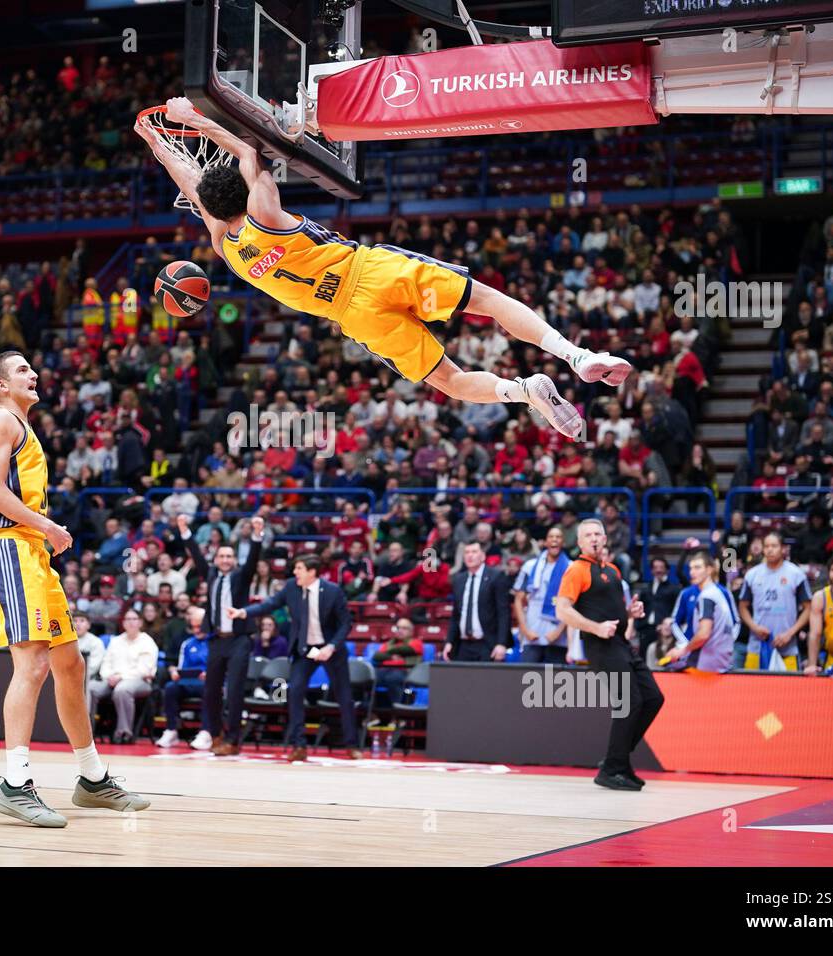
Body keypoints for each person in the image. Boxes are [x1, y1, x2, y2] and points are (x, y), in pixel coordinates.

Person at [136, 98, 635, 441]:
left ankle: (523, 392)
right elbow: (247, 153)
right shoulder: (265, 211)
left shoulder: (225, 246)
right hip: (370, 270)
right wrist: (195, 119)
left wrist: (158, 145)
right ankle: (574, 356)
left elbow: (196, 186)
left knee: (452, 382)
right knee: (488, 302)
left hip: (353, 316)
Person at [0, 349, 148, 827]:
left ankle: (91, 779)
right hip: (9, 547)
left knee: (71, 663)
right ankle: (14, 783)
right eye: (23, 369)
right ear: (2, 385)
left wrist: (42, 534)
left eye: (33, 365)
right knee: (32, 665)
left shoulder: (22, 427)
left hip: (32, 553)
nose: (35, 372)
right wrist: (47, 525)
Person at [553, 519, 660, 791]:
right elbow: (562, 611)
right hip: (600, 646)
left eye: (598, 533)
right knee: (630, 702)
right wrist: (596, 628)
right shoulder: (576, 570)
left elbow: (609, 611)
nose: (594, 538)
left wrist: (629, 614)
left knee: (653, 698)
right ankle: (613, 767)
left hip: (621, 644)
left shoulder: (612, 570)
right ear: (578, 542)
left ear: (605, 538)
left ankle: (617, 760)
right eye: (587, 535)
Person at [231, 555, 361, 762]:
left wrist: (331, 646)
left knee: (344, 697)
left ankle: (352, 745)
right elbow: (270, 604)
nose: (294, 572)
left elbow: (346, 624)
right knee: (294, 691)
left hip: (330, 648)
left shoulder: (332, 591)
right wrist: (243, 613)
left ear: (312, 572)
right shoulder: (292, 587)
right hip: (304, 649)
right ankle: (299, 745)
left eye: (299, 568)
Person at [180, 511, 265, 756]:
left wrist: (258, 535)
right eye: (222, 556)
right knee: (211, 691)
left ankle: (233, 739)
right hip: (216, 639)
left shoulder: (242, 576)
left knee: (235, 690)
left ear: (234, 560)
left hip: (239, 640)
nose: (226, 560)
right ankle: (216, 733)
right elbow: (196, 555)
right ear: (216, 559)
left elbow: (253, 560)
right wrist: (185, 530)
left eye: (229, 556)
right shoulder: (211, 575)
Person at [738, 532, 811, 670]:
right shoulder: (752, 575)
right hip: (757, 646)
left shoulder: (796, 574)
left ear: (783, 548)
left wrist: (790, 633)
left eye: (774, 546)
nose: (770, 550)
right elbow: (742, 607)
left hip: (787, 647)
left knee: (788, 691)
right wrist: (754, 627)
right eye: (766, 546)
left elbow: (808, 608)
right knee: (753, 690)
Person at [87, 610, 159, 743]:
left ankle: (123, 732)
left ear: (140, 622)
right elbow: (105, 663)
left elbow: (144, 670)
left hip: (139, 681)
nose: (131, 622)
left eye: (134, 619)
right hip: (112, 679)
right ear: (123, 623)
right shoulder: (116, 641)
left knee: (122, 689)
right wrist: (108, 676)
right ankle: (87, 732)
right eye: (128, 619)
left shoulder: (147, 642)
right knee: (90, 688)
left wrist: (121, 677)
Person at [664, 552, 738, 673]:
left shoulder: (706, 596)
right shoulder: (718, 594)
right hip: (723, 662)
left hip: (706, 663)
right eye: (691, 568)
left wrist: (682, 651)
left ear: (709, 570)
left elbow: (703, 634)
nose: (692, 572)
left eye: (697, 567)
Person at [444, 541, 512, 662]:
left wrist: (502, 643)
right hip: (463, 644)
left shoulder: (496, 576)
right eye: (467, 552)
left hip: (487, 643)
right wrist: (449, 641)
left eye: (474, 552)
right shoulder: (459, 579)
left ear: (483, 556)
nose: (470, 555)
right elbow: (456, 615)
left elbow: (503, 613)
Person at [513, 528, 571, 663]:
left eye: (558, 537)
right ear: (545, 542)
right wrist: (525, 630)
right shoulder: (530, 566)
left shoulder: (570, 568)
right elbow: (518, 600)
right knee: (526, 681)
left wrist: (558, 631)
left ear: (563, 542)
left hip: (557, 639)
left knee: (554, 683)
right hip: (532, 636)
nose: (555, 540)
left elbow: (573, 605)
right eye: (551, 537)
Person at [156, 606, 209, 748]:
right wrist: (175, 673)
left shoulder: (215, 643)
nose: (196, 630)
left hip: (207, 683)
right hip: (188, 682)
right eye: (193, 627)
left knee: (209, 689)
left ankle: (206, 732)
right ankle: (171, 730)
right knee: (170, 688)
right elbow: (181, 667)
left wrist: (210, 674)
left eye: (199, 626)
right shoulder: (187, 644)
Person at [372, 617, 425, 708]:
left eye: (404, 628)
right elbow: (377, 656)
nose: (400, 630)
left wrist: (388, 653)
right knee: (369, 678)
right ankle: (372, 714)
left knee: (393, 678)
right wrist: (392, 657)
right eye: (398, 628)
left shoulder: (416, 643)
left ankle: (397, 714)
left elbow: (407, 649)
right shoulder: (389, 643)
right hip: (384, 671)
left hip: (405, 672)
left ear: (411, 631)